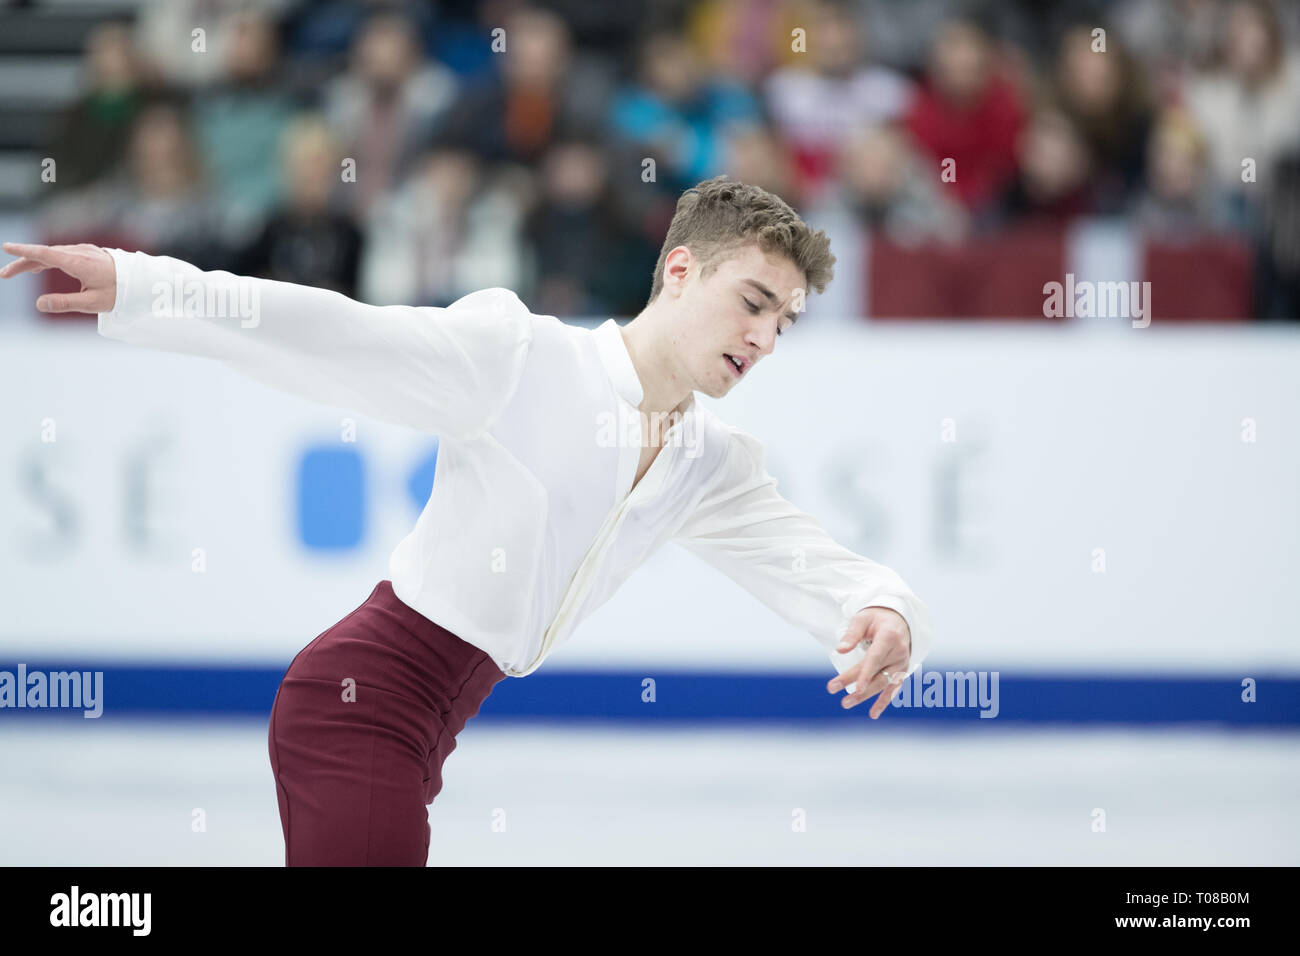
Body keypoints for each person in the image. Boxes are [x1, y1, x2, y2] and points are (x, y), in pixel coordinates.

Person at [0, 175, 934, 866]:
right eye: (754, 303)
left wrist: (885, 608)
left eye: (786, 322)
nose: (765, 338)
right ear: (681, 271)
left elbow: (803, 554)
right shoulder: (521, 358)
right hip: (356, 706)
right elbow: (328, 331)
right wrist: (143, 284)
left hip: (425, 730)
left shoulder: (706, 462)